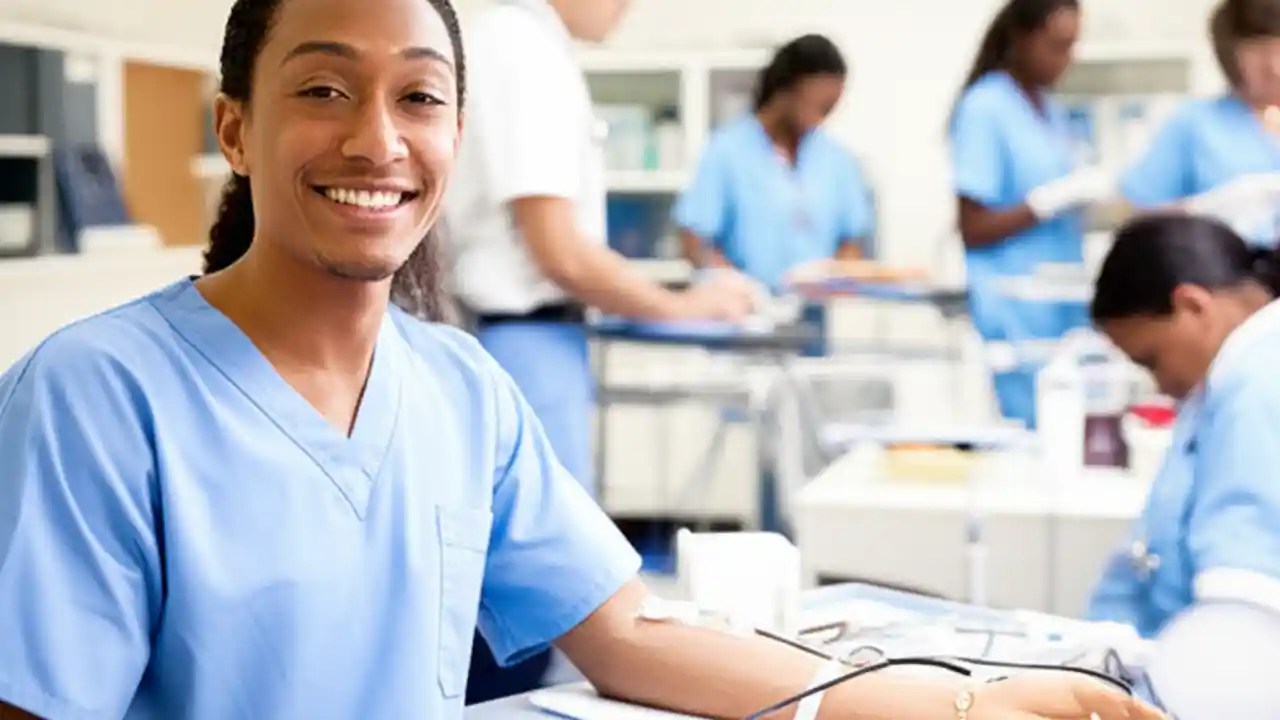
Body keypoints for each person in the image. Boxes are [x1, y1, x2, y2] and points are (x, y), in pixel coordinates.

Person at [0, 0, 1165, 718]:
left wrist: (960, 701)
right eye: (321, 89)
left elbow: (627, 636)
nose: (377, 138)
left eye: (419, 95)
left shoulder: (458, 389)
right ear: (237, 130)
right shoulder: (98, 396)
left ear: (455, 136)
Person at [441, 0, 756, 703]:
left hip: (535, 338)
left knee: (530, 598)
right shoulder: (520, 50)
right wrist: (684, 306)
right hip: (522, 337)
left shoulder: (522, 45)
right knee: (529, 600)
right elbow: (559, 249)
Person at [1086, 214, 1280, 718]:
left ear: (1193, 304)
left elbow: (1243, 606)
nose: (1159, 384)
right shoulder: (1234, 376)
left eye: (1151, 360)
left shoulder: (1257, 386)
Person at [948, 0, 1115, 428]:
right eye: (1057, 44)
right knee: (1028, 435)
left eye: (1073, 45)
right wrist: (1045, 201)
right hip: (1014, 312)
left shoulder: (1049, 110)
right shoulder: (986, 106)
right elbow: (973, 227)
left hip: (1061, 308)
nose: (1066, 58)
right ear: (1021, 37)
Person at [674, 33, 875, 292]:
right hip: (745, 316)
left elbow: (852, 239)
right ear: (787, 89)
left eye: (830, 109)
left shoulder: (836, 159)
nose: (822, 120)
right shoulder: (726, 151)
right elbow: (695, 240)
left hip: (818, 312)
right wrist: (739, 290)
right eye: (819, 106)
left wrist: (834, 281)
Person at [1120, 0, 1280, 248]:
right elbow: (1135, 219)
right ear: (1229, 55)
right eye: (1258, 49)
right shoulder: (1194, 124)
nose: (1274, 66)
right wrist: (1200, 211)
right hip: (1221, 275)